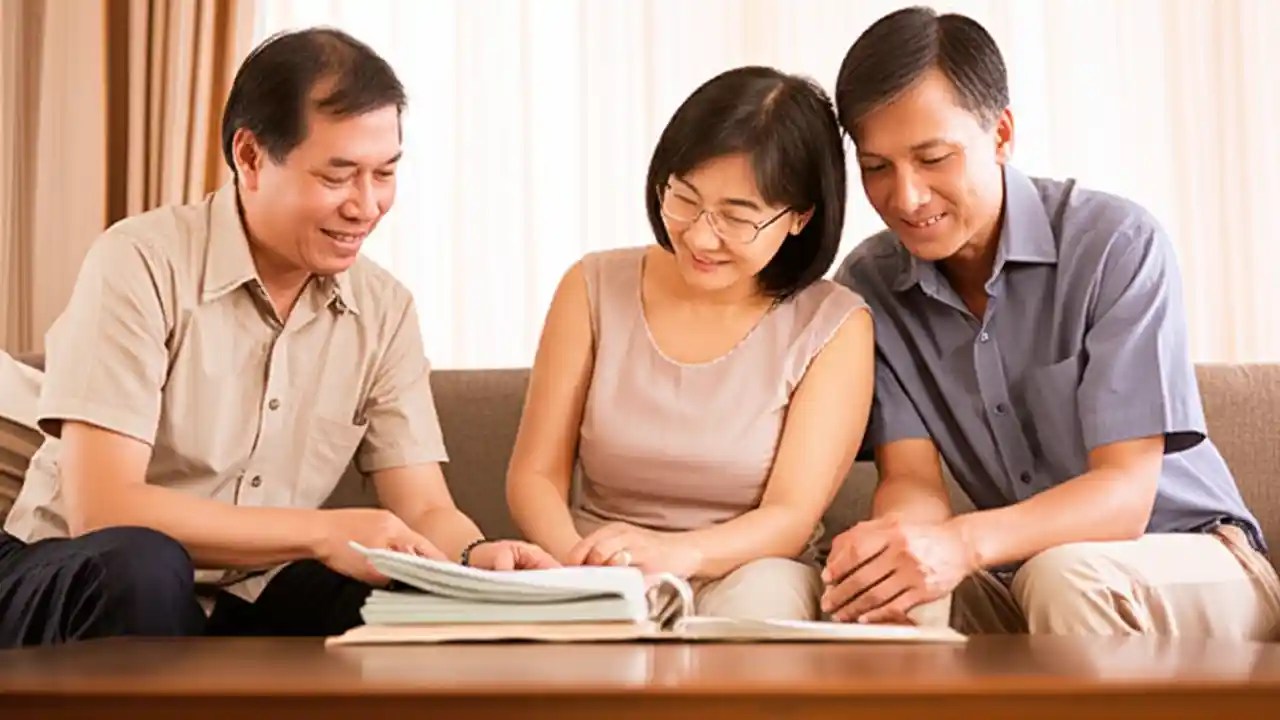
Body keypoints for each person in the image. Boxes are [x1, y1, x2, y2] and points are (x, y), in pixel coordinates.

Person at [0, 28, 556, 648]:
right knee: (145, 568)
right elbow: (103, 508)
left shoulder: (384, 310)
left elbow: (423, 507)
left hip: (246, 591)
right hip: (74, 573)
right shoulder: (140, 261)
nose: (366, 205)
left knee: (403, 604)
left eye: (385, 173)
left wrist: (479, 557)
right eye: (339, 175)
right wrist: (320, 533)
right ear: (250, 157)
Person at [823, 6, 1280, 636]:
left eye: (933, 158)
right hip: (1025, 570)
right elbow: (911, 480)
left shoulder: (1116, 245)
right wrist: (899, 554)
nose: (906, 198)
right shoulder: (871, 284)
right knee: (898, 600)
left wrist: (962, 543)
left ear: (1002, 134)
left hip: (1195, 557)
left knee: (1064, 576)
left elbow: (1124, 496)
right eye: (877, 168)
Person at [506, 65, 874, 622]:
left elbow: (791, 514)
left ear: (800, 218)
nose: (701, 236)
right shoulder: (592, 286)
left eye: (737, 217)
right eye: (685, 199)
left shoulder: (833, 324)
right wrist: (580, 563)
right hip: (596, 567)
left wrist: (676, 555)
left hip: (750, 573)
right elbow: (533, 475)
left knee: (759, 609)